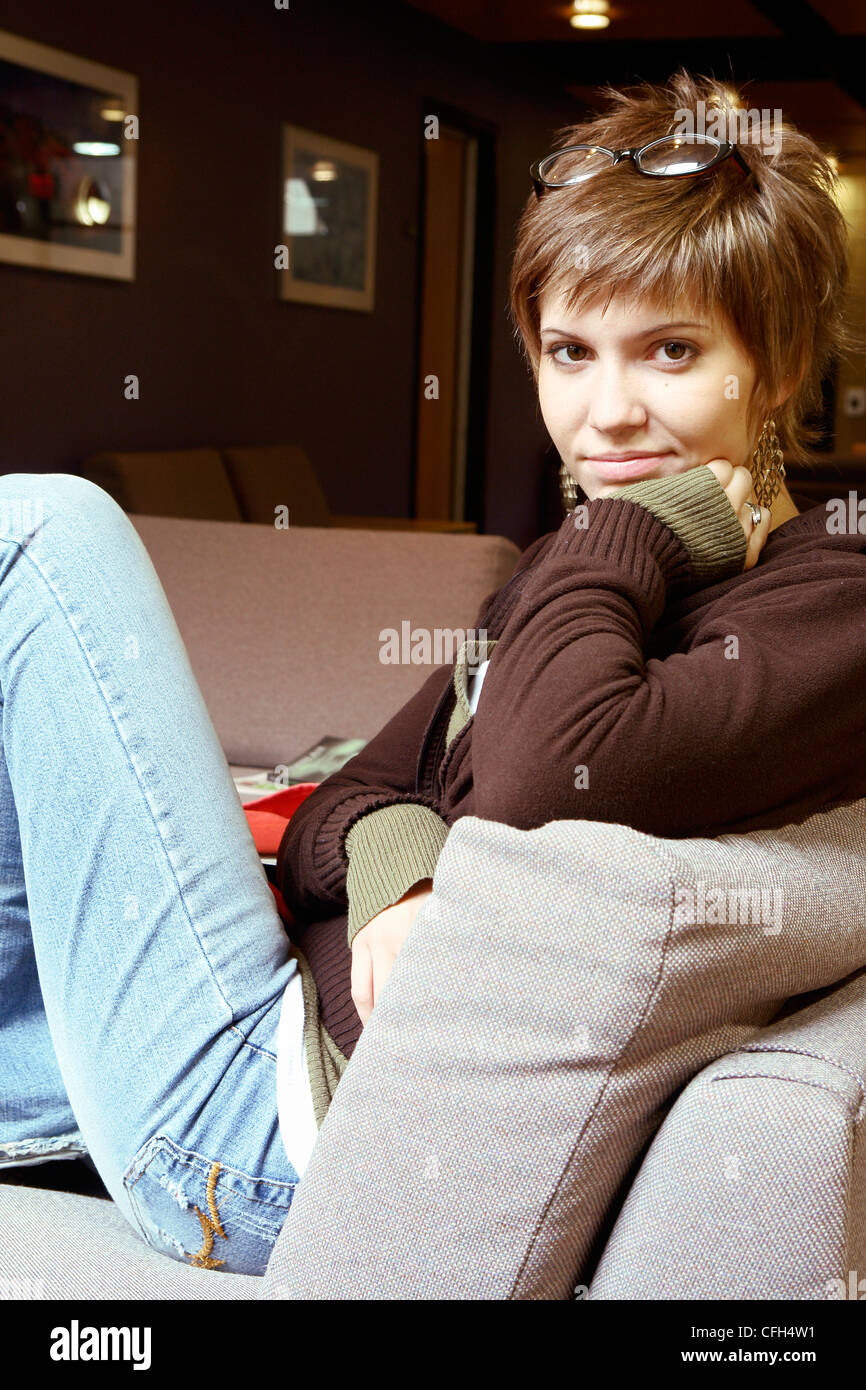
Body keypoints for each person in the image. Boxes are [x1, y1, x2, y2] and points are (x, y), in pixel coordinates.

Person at [1, 68, 864, 1281]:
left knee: (38, 534)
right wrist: (402, 880)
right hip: (247, 1041)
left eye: (668, 351)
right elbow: (335, 812)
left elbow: (534, 773)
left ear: (771, 365)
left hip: (269, 1136)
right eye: (567, 352)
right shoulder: (583, 579)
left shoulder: (823, 594)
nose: (603, 413)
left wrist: (627, 534)